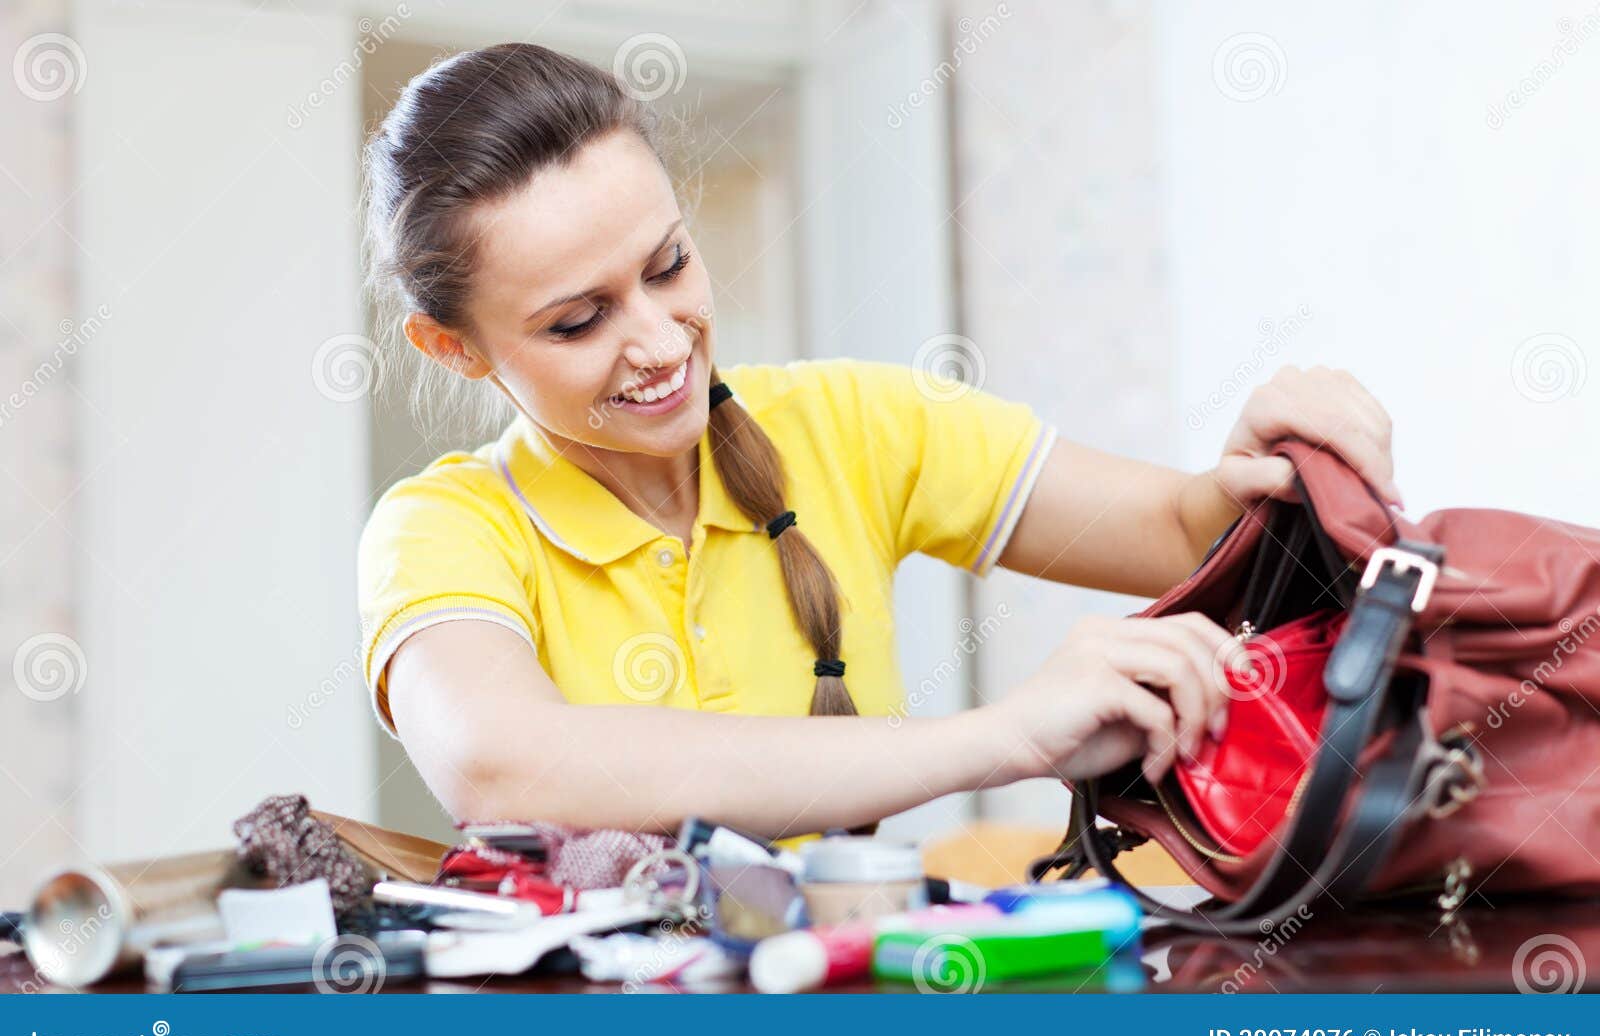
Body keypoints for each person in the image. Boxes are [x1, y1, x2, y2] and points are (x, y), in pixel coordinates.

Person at [357, 43, 1400, 841]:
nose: (660, 339)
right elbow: (503, 763)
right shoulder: (442, 529)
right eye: (578, 321)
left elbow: (1182, 533)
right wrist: (998, 738)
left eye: (669, 264)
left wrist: (1259, 466)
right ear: (452, 347)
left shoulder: (857, 424)